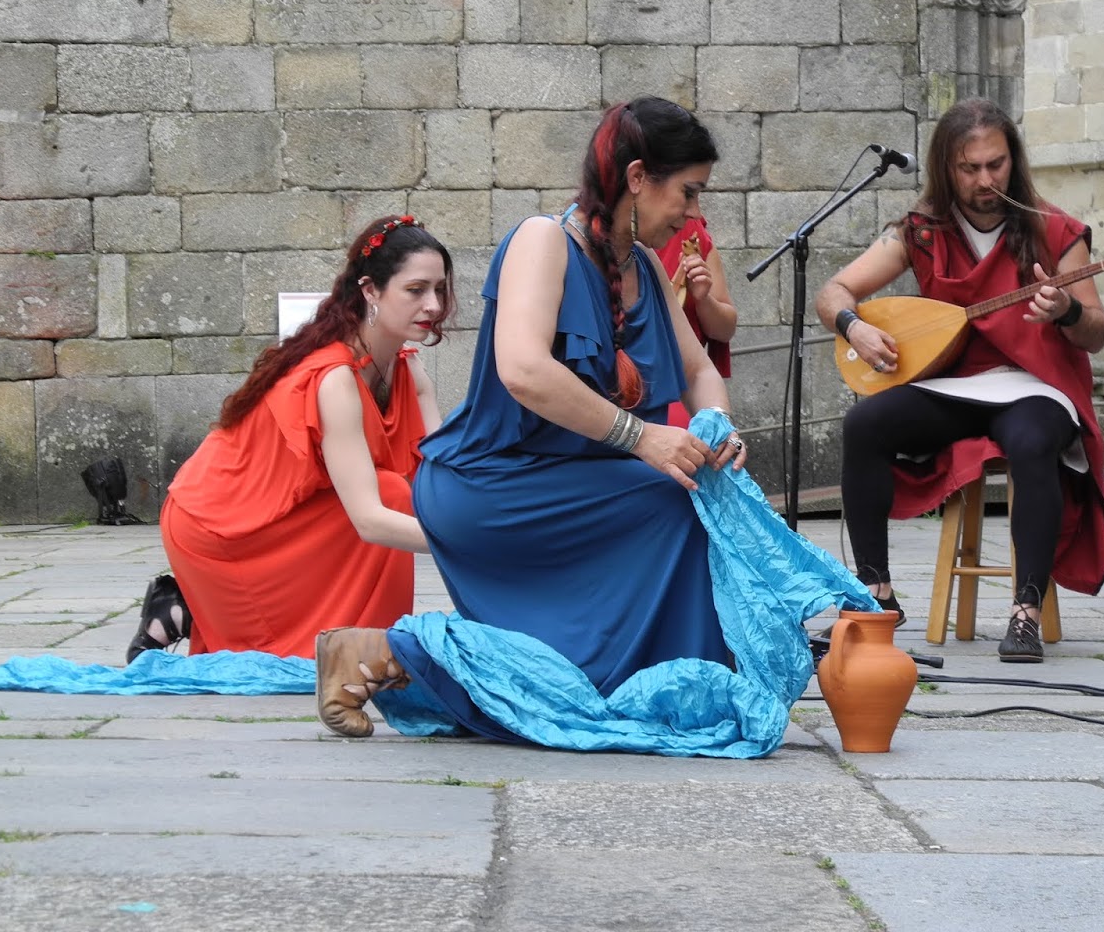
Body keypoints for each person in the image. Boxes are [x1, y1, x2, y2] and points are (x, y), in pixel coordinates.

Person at [311, 97, 874, 752]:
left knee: (684, 503)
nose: (694, 213)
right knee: (666, 522)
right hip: (500, 486)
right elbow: (522, 368)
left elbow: (700, 372)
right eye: (687, 192)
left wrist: (717, 421)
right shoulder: (542, 241)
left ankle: (384, 654)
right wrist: (643, 437)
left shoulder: (648, 272)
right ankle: (399, 653)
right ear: (638, 178)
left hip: (581, 484)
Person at [814, 99, 1104, 665]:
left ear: (1013, 161)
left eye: (995, 165)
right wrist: (855, 329)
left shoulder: (1055, 230)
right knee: (865, 423)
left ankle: (1025, 612)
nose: (984, 180)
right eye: (969, 168)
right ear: (945, 169)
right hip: (954, 387)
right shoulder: (922, 232)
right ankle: (874, 596)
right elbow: (833, 293)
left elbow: (1096, 333)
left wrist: (1068, 311)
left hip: (1035, 387)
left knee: (1030, 441)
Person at [130, 215, 452, 661]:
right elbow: (370, 519)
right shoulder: (335, 378)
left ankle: (187, 611)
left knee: (397, 493)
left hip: (289, 512)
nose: (434, 305)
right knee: (390, 495)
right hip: (219, 525)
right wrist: (472, 545)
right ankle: (350, 649)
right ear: (370, 291)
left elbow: (443, 479)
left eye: (440, 289)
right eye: (416, 290)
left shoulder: (408, 369)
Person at [655, 214, 737, 427]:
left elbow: (725, 330)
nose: (695, 210)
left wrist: (703, 299)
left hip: (683, 383)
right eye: (688, 192)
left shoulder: (692, 234)